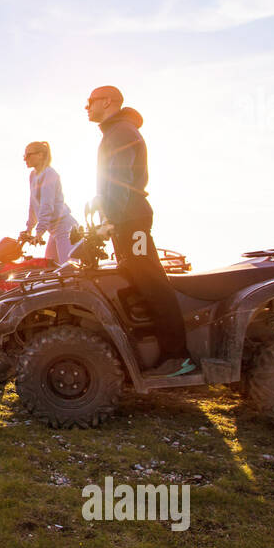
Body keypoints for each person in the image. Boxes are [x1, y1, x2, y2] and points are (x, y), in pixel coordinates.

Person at [86, 86, 195, 377]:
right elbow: (114, 181)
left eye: (90, 101)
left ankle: (179, 358)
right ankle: (150, 352)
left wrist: (111, 219)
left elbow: (120, 181)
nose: (86, 107)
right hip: (125, 221)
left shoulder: (120, 131)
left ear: (107, 102)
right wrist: (101, 203)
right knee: (136, 282)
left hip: (130, 223)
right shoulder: (115, 131)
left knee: (151, 283)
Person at [20, 140, 77, 265]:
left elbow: (47, 205)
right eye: (24, 156)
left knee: (69, 270)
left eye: (28, 155)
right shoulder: (33, 175)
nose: (25, 159)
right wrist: (29, 228)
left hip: (65, 228)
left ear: (40, 155)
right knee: (49, 267)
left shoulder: (49, 174)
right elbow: (33, 204)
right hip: (53, 229)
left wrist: (39, 232)